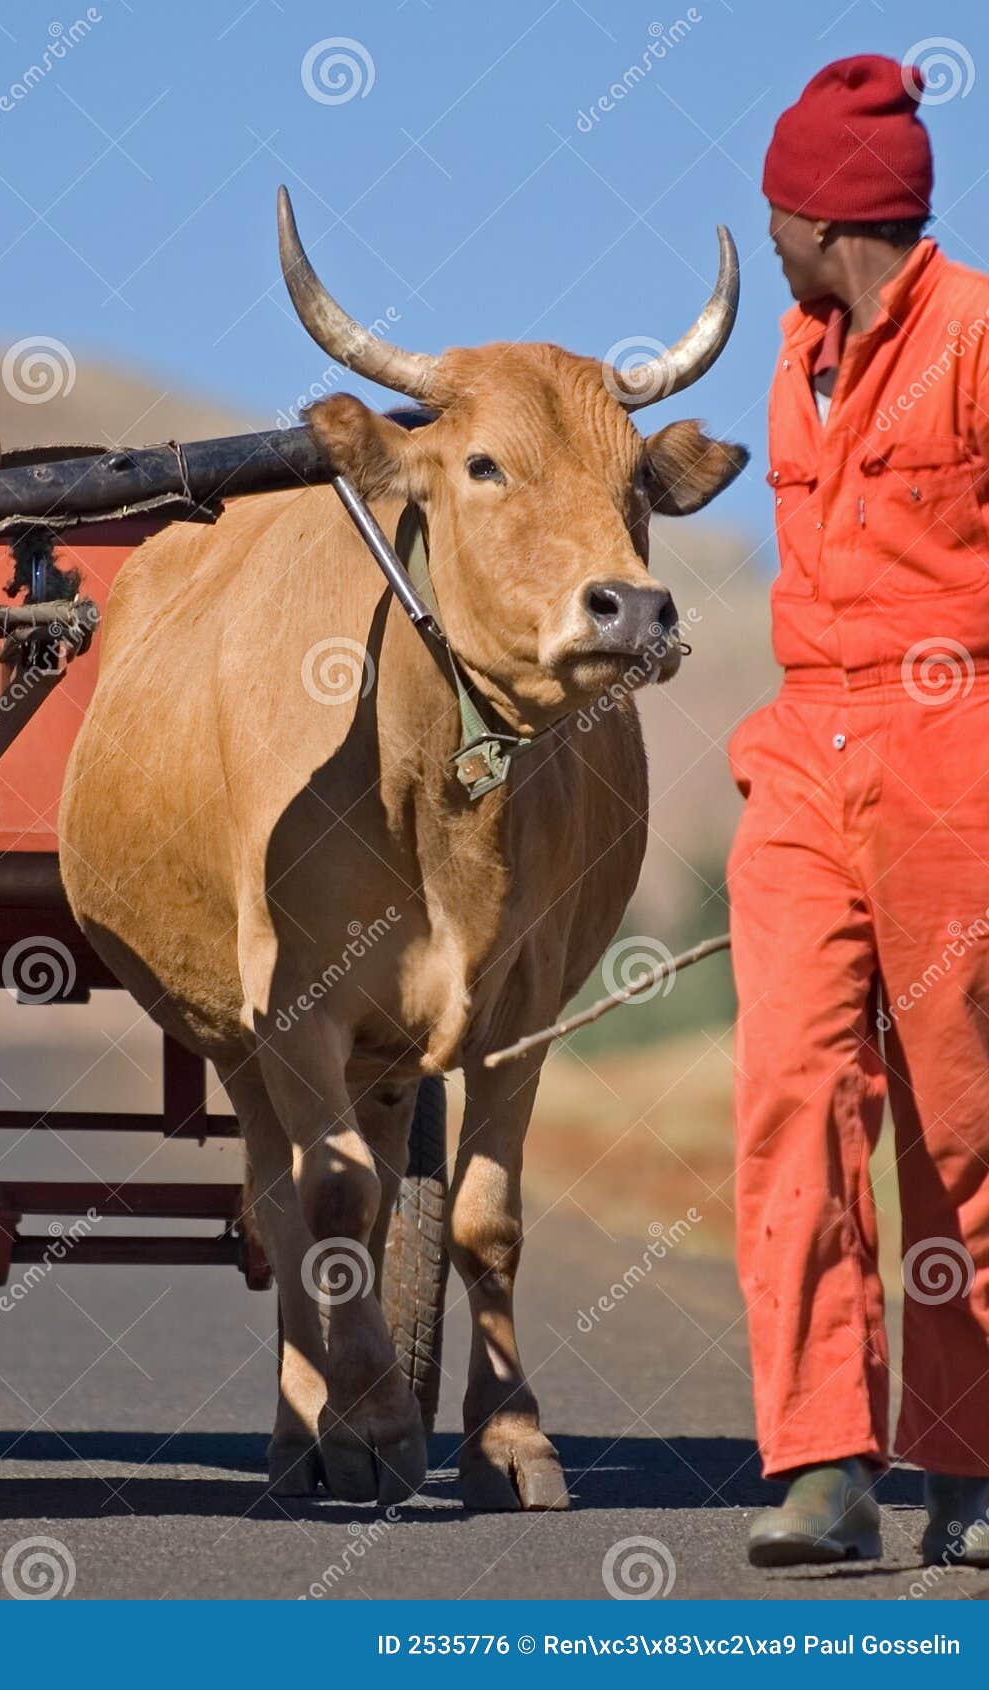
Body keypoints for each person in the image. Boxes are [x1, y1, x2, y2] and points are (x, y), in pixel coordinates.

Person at [730, 53, 989, 1569]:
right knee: (793, 1095)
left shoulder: (974, 337)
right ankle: (827, 1462)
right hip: (804, 753)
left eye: (778, 203)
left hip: (955, 745)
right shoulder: (792, 350)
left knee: (963, 1117)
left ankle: (969, 1462)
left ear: (831, 215)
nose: (764, 226)